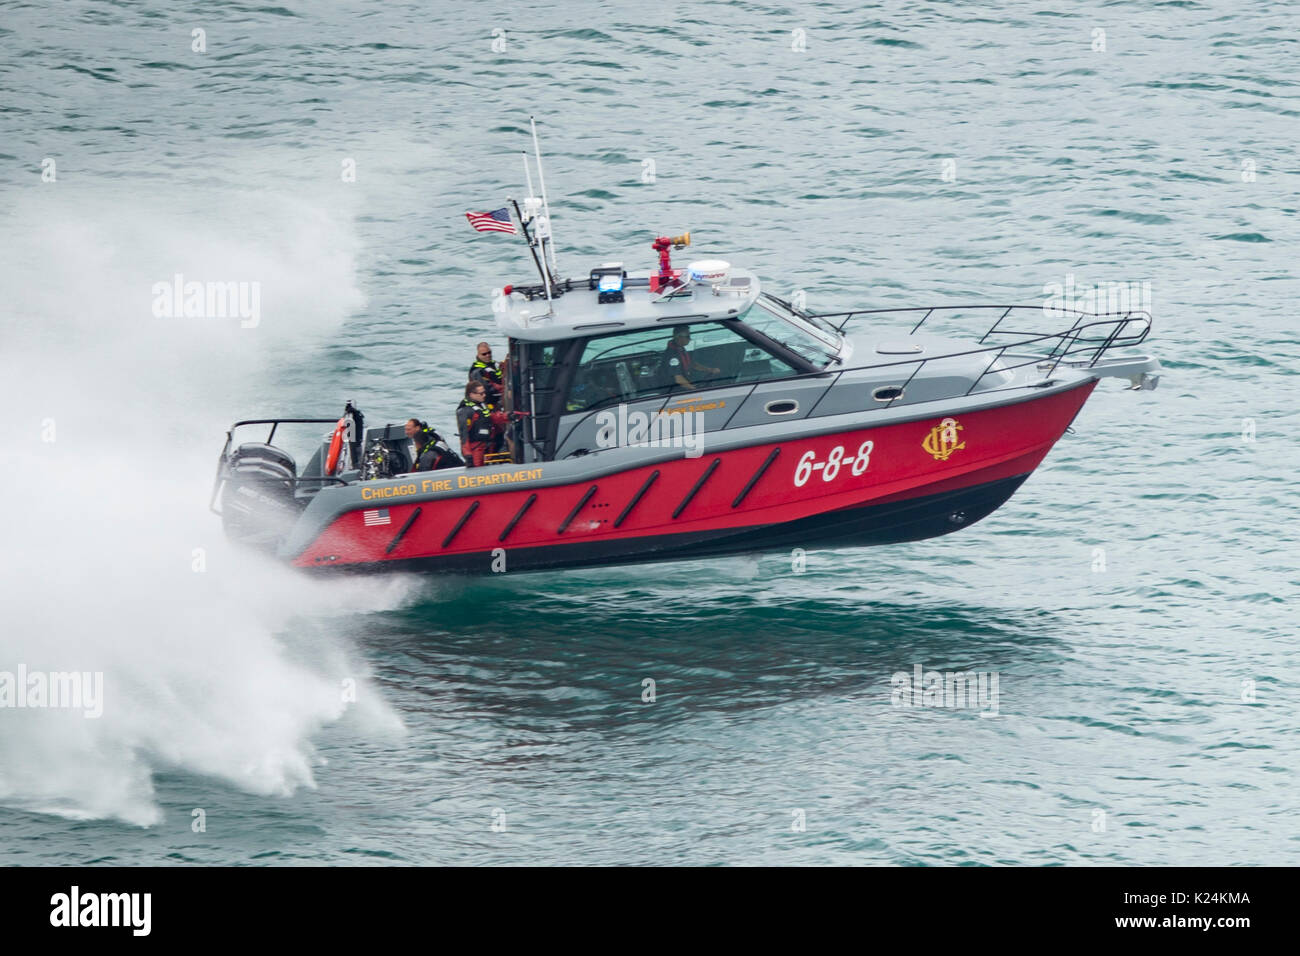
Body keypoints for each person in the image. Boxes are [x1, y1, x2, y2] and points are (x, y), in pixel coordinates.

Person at [457, 382, 510, 467]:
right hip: (475, 448)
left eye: (484, 392)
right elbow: (464, 434)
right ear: (471, 394)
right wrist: (467, 454)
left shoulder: (481, 405)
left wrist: (507, 416)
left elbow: (491, 417)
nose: (484, 395)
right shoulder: (464, 411)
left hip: (487, 445)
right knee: (477, 470)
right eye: (481, 393)